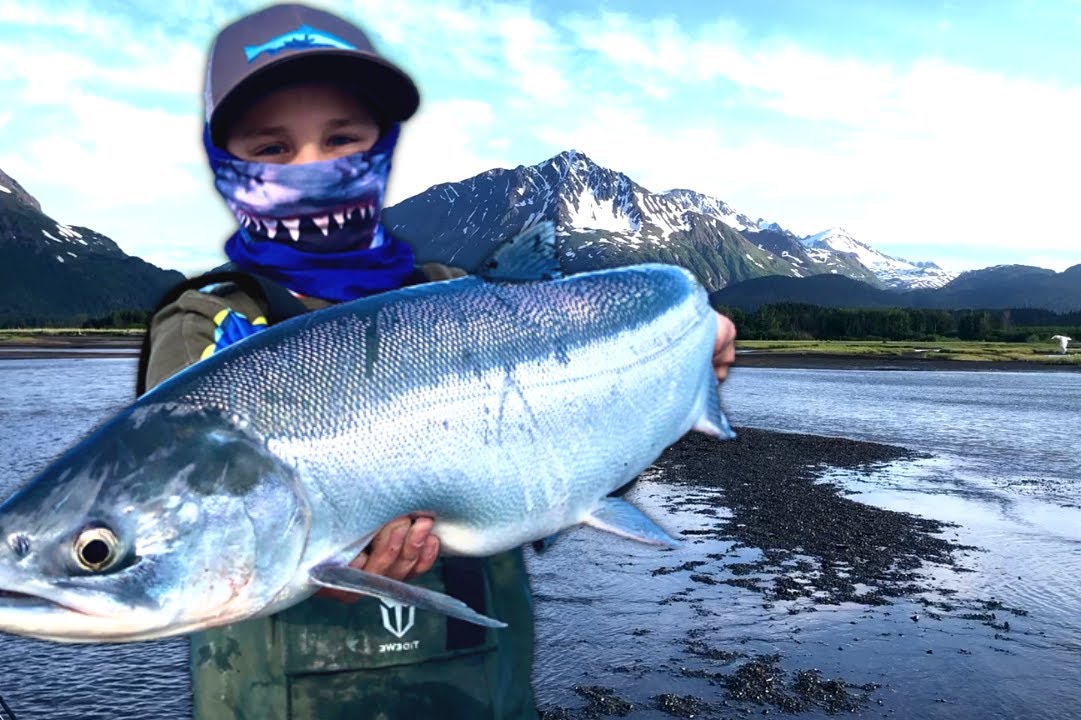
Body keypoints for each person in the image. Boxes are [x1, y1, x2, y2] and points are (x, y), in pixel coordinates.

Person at [137, 4, 737, 719]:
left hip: (484, 697)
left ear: (381, 148)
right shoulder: (207, 324)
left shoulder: (457, 297)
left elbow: (570, 455)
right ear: (224, 164)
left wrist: (687, 365)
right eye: (272, 147)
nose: (314, 167)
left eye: (341, 138)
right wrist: (314, 567)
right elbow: (182, 518)